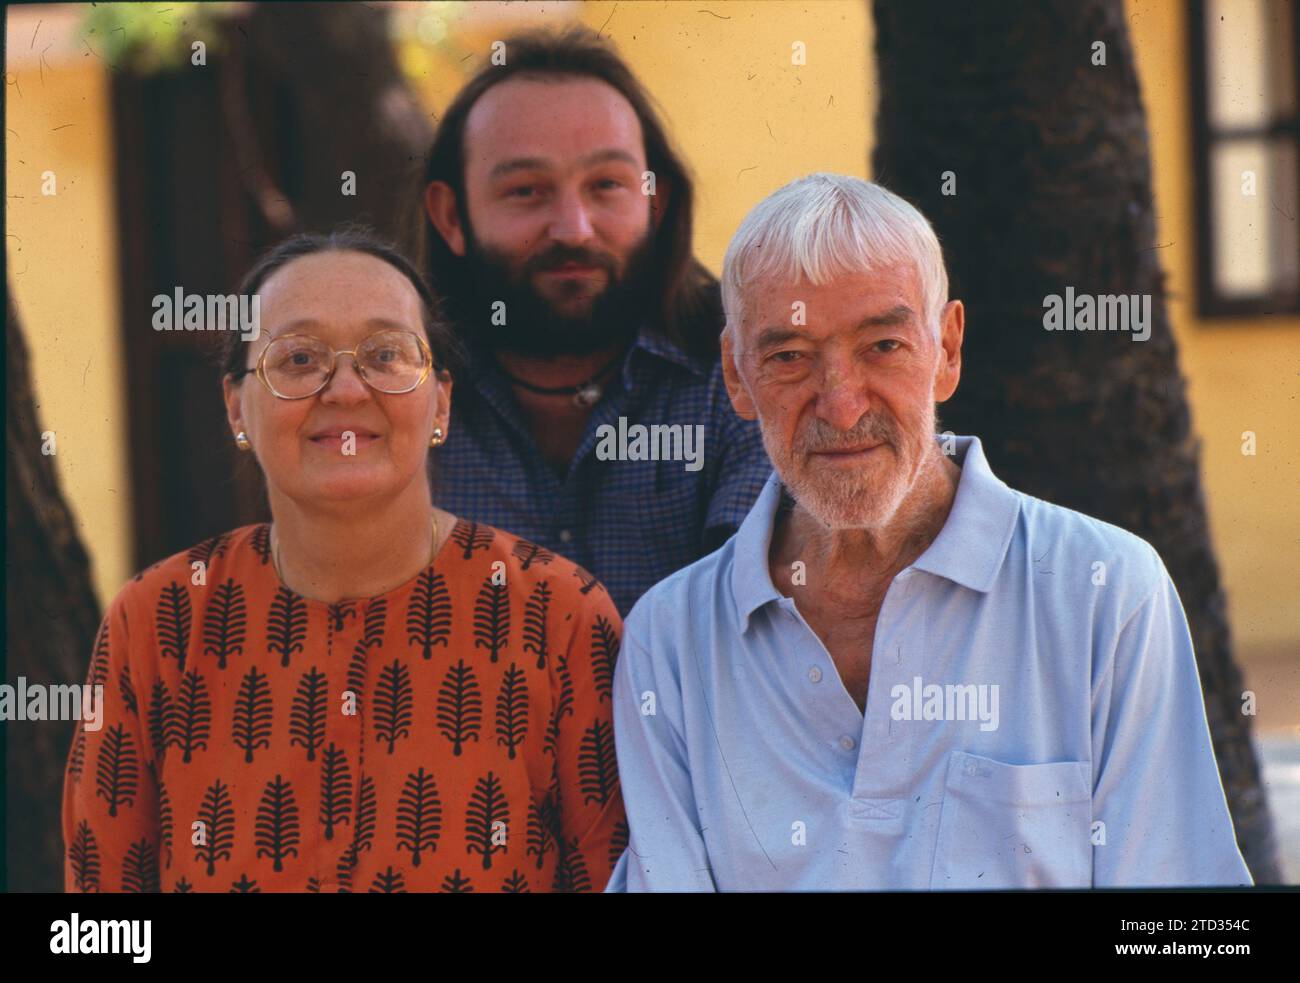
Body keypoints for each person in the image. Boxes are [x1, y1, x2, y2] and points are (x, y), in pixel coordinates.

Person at [607, 173, 1253, 890]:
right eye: (788, 356)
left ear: (946, 348)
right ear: (736, 373)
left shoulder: (1104, 595)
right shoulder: (670, 642)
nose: (843, 406)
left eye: (883, 344)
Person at [63, 227, 625, 893]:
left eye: (386, 354)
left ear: (440, 401)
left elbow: (616, 880)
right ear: (235, 406)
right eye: (299, 358)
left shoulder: (559, 618)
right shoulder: (157, 622)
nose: (346, 389)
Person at [421, 25, 772, 617]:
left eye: (607, 184)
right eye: (527, 190)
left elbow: (758, 632)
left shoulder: (745, 375)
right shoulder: (396, 391)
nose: (574, 229)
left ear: (654, 202)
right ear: (452, 216)